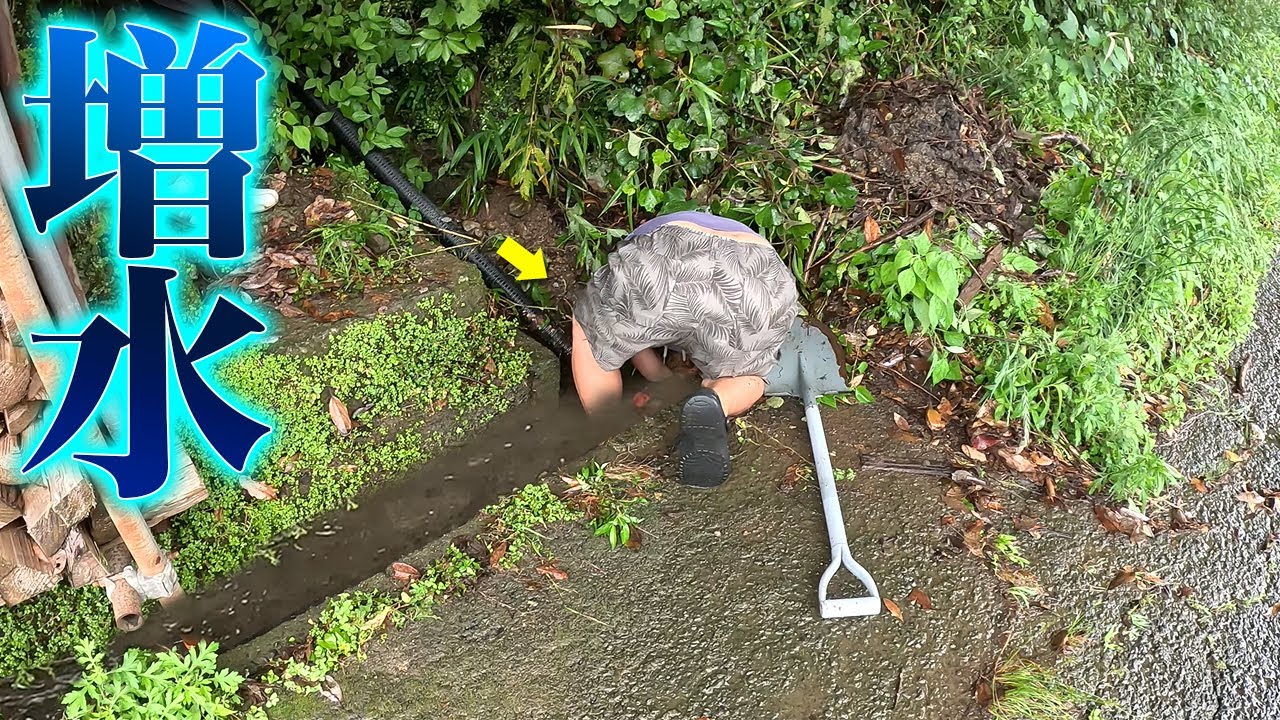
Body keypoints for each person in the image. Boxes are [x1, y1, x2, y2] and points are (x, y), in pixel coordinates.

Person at [572, 211, 799, 488]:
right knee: (747, 375)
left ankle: (605, 428)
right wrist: (660, 377)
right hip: (759, 284)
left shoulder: (647, 241)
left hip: (662, 265)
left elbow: (629, 331)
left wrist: (657, 375)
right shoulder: (722, 229)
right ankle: (718, 403)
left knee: (595, 336)